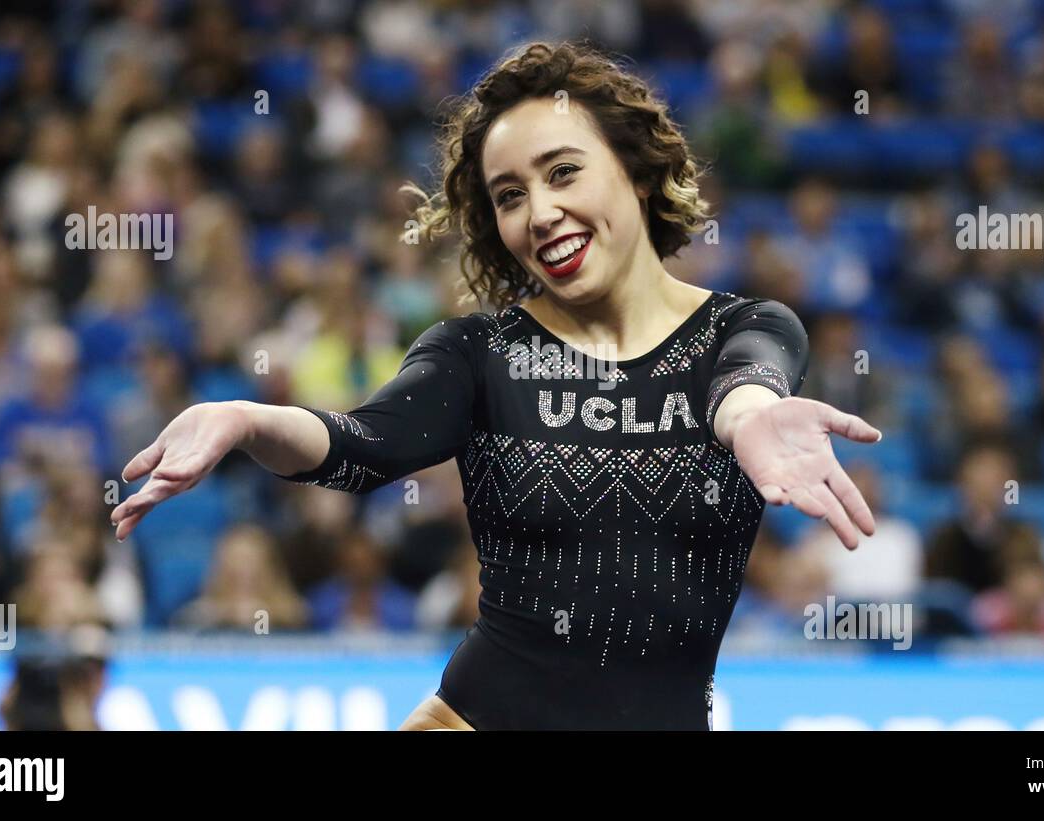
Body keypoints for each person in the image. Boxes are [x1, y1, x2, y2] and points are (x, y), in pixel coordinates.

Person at [110, 42, 880, 730]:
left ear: (638, 172)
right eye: (510, 195)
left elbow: (746, 384)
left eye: (564, 172)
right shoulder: (479, 353)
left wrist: (749, 419)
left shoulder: (743, 329)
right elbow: (362, 446)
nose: (541, 213)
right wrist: (245, 417)